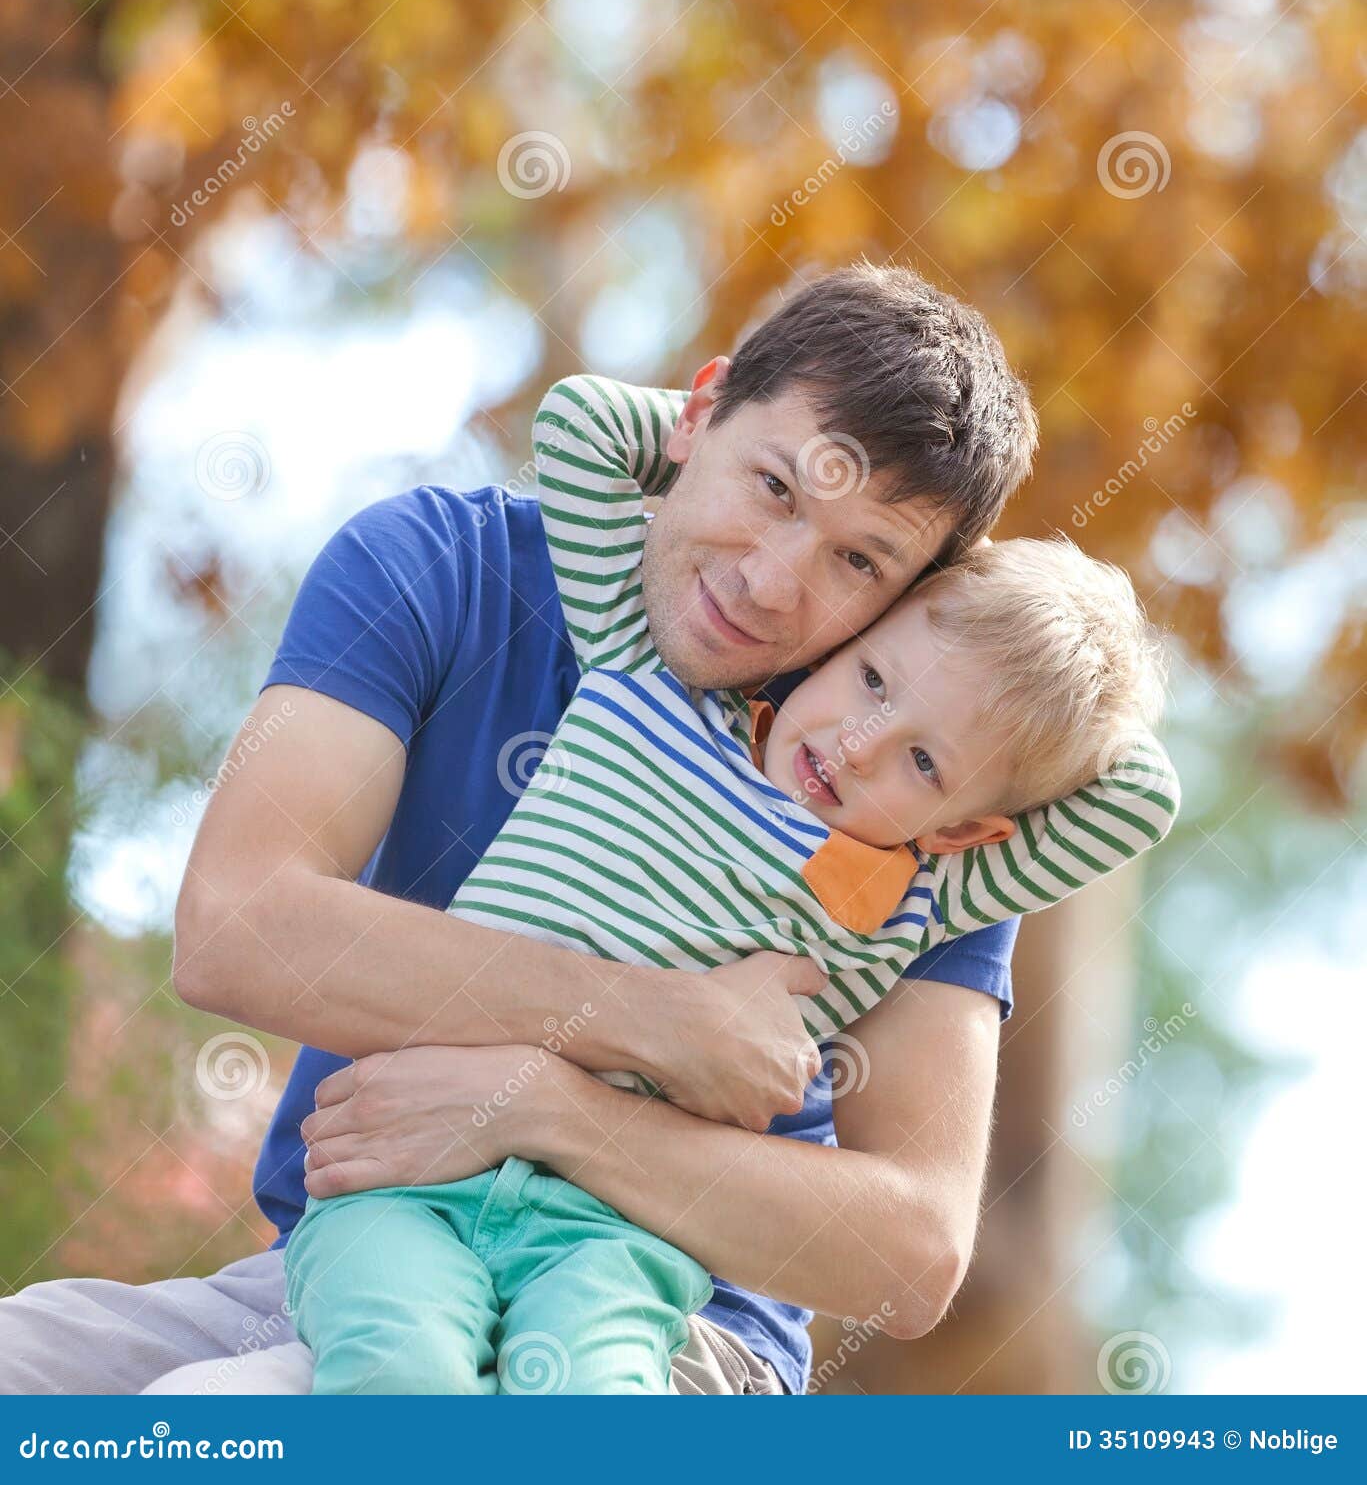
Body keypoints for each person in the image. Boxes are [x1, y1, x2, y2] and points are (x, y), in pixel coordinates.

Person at [1, 263, 1038, 1396]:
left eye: (857, 561)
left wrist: (554, 1108)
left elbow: (912, 1253)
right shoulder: (441, 566)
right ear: (695, 412)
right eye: (774, 485)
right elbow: (235, 926)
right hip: (357, 1260)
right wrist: (648, 1019)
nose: (771, 581)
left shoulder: (905, 791)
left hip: (661, 1322)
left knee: (214, 1419)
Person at [277, 372, 1176, 1394]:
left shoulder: (898, 891)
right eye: (873, 680)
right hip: (412, 1176)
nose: (860, 743)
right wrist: (739, 424)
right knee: (397, 1373)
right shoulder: (644, 682)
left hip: (611, 1236)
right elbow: (577, 424)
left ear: (967, 823)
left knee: (592, 1397)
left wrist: (1065, 658)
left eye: (923, 761)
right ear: (851, 639)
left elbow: (1138, 798)